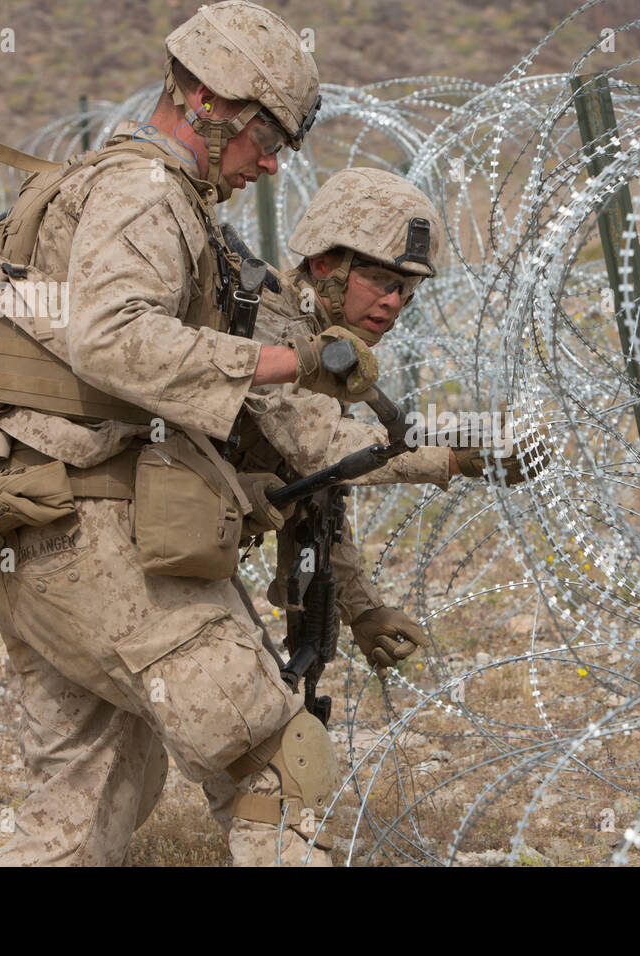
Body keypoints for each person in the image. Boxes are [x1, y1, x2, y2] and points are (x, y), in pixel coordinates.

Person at [0, 1, 376, 866]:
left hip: (35, 536)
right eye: (268, 133)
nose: (274, 159)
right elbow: (110, 337)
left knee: (83, 809)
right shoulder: (146, 192)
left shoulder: (131, 186)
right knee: (276, 764)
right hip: (100, 542)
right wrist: (285, 366)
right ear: (210, 104)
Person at [197, 168, 548, 864]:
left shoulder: (315, 336)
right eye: (381, 282)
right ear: (326, 264)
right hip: (132, 559)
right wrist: (460, 450)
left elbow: (317, 487)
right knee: (278, 752)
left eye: (407, 293)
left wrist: (359, 609)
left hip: (135, 552)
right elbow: (326, 450)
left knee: (97, 780)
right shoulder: (272, 328)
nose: (393, 304)